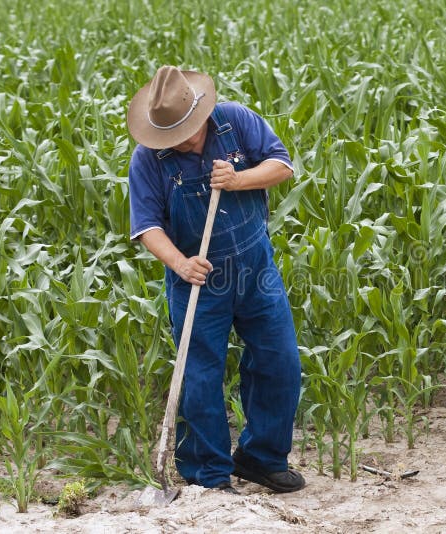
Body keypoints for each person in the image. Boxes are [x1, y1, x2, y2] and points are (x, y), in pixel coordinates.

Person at [125, 65, 304, 494]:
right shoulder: (147, 160)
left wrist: (238, 179)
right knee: (201, 375)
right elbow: (147, 226)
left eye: (186, 129)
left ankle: (261, 458)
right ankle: (209, 473)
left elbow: (282, 166)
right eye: (171, 135)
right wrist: (180, 264)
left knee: (279, 360)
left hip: (255, 267)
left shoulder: (236, 120)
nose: (182, 140)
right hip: (197, 279)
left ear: (200, 110)